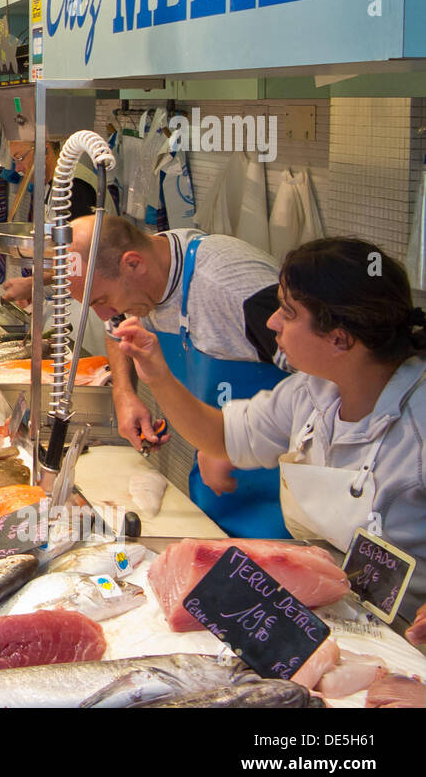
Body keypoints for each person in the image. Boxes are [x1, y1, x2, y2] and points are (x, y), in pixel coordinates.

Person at [113, 238, 426, 625]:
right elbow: (221, 437)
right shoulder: (311, 392)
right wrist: (158, 376)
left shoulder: (418, 422)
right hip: (327, 612)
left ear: (339, 339)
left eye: (289, 313)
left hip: (406, 641)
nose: (272, 322)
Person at [64, 213, 289, 537]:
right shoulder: (141, 276)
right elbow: (115, 330)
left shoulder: (234, 289)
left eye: (101, 300)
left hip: (281, 492)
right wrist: (124, 394)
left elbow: (323, 384)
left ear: (134, 264)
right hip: (216, 486)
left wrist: (240, 443)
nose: (104, 313)